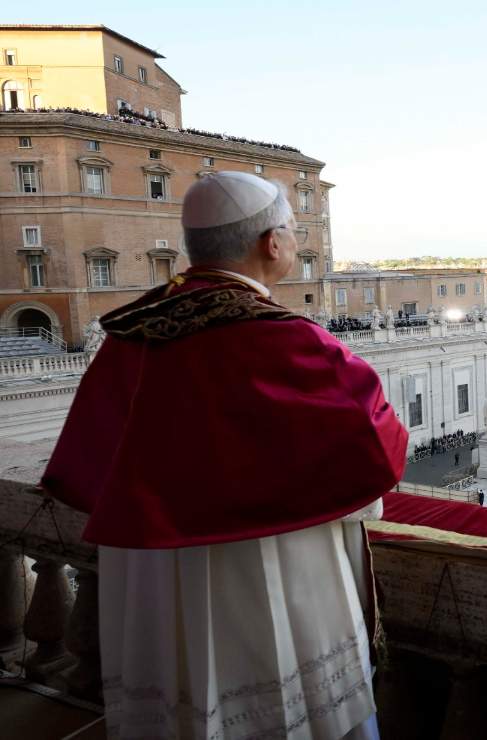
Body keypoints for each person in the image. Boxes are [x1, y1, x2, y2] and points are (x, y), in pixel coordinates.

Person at [39, 172, 407, 740]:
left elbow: (91, 456)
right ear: (271, 244)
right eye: (289, 228)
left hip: (155, 563)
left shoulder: (132, 333)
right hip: (273, 557)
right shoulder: (290, 339)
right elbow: (378, 441)